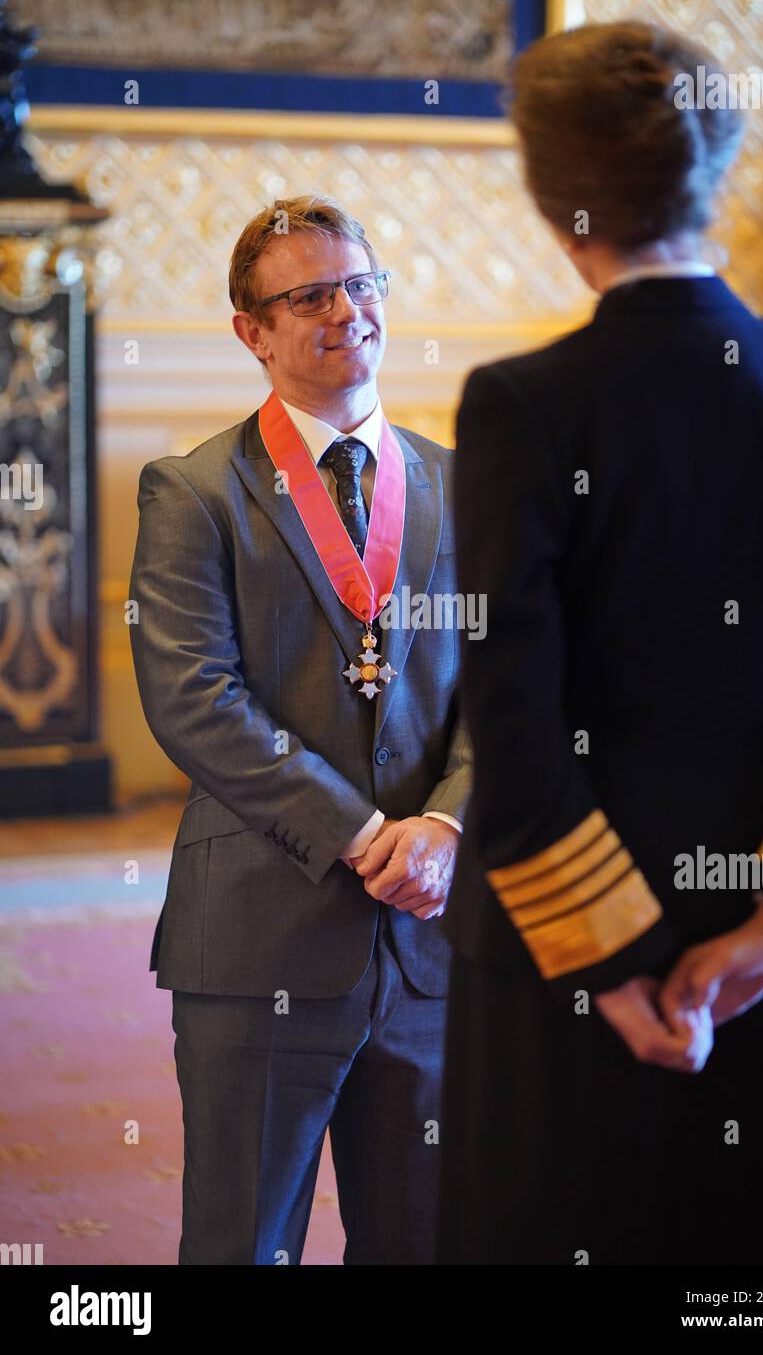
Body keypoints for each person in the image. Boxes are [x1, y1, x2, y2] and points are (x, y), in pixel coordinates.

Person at [438, 20, 763, 1265]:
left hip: (557, 936)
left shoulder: (522, 402)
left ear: (550, 197)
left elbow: (512, 709)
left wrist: (613, 963)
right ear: (713, 173)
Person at [129, 196, 471, 1265]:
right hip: (257, 931)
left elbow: (514, 687)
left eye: (360, 284)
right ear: (252, 330)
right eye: (309, 295)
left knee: (423, 1240)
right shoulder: (193, 491)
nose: (346, 311)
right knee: (243, 1243)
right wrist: (367, 832)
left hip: (432, 939)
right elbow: (195, 698)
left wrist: (448, 827)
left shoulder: (460, 482)